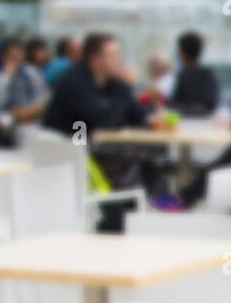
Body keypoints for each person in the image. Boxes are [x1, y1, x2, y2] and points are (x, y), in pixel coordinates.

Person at [41, 32, 164, 230]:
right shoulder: (74, 80)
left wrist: (150, 118)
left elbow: (134, 113)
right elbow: (101, 116)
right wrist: (125, 86)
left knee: (149, 166)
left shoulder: (109, 80)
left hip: (92, 153)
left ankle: (132, 220)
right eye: (113, 55)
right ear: (95, 60)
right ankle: (114, 227)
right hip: (68, 159)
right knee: (134, 179)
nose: (118, 61)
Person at [0, 38, 47, 122]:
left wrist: (28, 113)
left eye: (19, 55)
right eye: (12, 56)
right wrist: (7, 76)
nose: (16, 60)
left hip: (31, 119)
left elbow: (41, 98)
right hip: (5, 121)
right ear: (2, 57)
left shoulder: (31, 72)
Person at [169, 30, 218, 117]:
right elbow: (211, 104)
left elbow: (174, 104)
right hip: (206, 121)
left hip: (185, 120)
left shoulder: (183, 76)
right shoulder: (208, 75)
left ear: (183, 53)